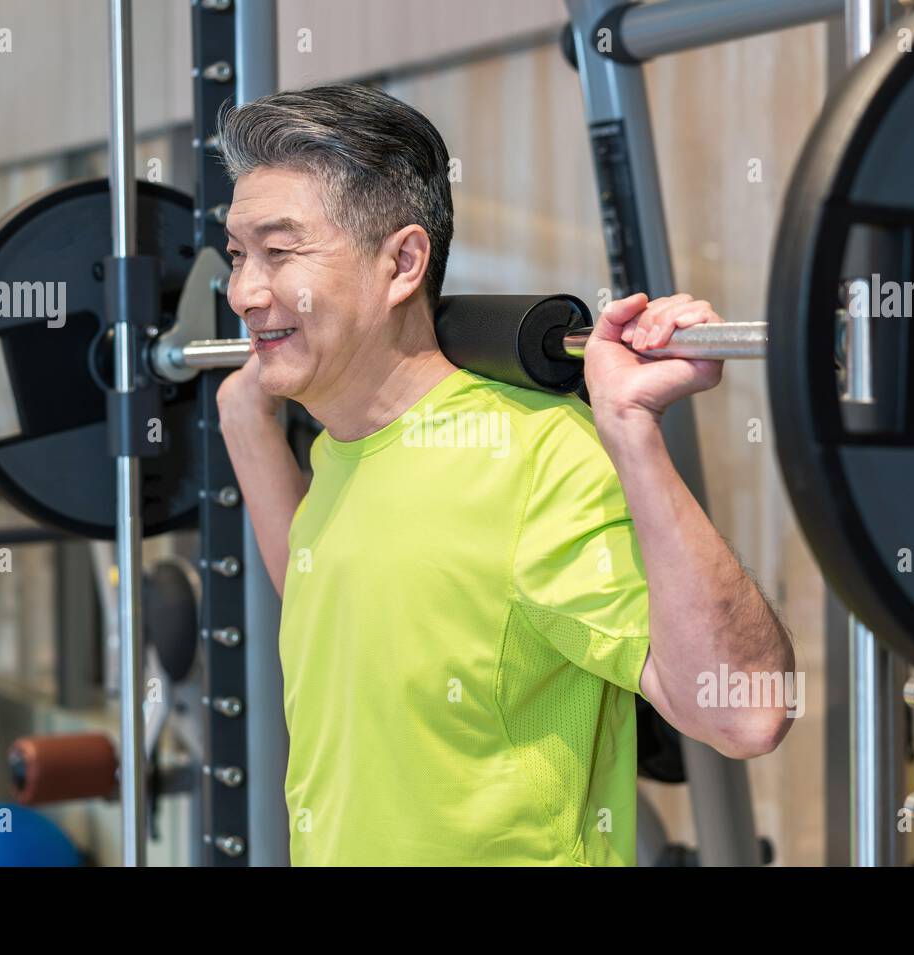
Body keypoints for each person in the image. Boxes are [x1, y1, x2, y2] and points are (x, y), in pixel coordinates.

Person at [215, 83, 794, 866]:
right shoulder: (341, 445)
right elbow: (330, 602)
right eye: (238, 256)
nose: (245, 292)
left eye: (280, 253)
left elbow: (750, 713)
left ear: (404, 263)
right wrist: (245, 420)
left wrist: (629, 433)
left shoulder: (536, 458)